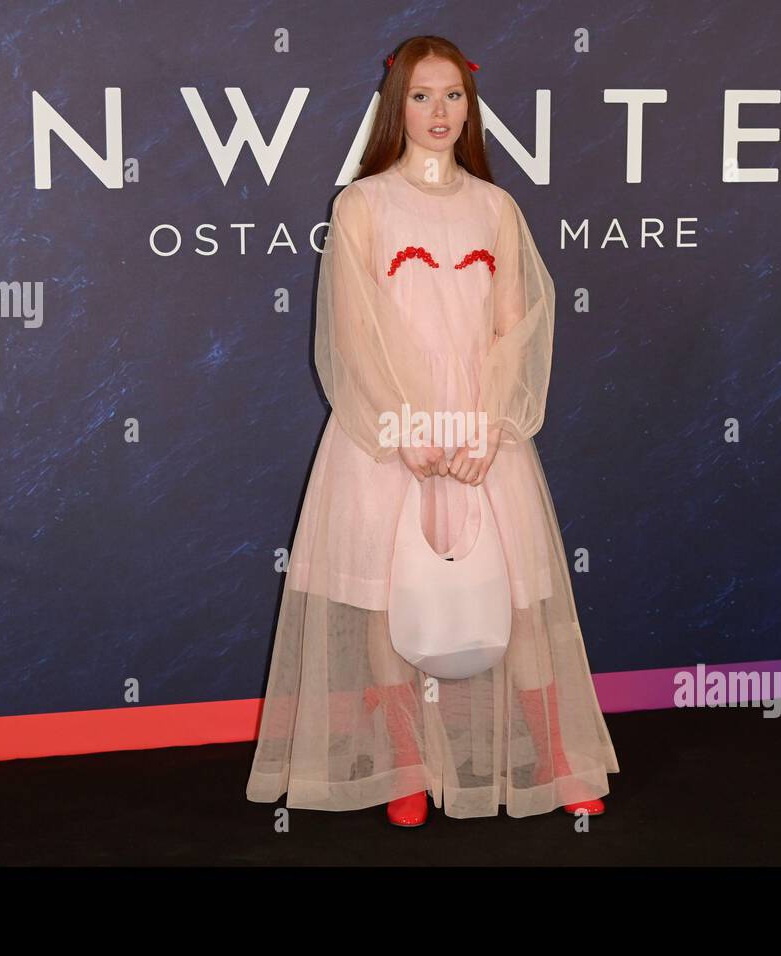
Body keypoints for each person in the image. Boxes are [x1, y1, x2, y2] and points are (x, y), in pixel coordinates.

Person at [246, 35, 619, 825]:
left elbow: (515, 330)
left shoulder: (496, 208)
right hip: (386, 434)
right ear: (395, 105)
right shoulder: (361, 205)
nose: (439, 112)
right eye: (422, 96)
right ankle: (406, 768)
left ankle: (554, 759)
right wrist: (399, 429)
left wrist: (493, 425)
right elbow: (352, 335)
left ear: (471, 106)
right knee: (389, 606)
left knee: (519, 604)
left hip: (483, 436)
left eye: (453, 96)